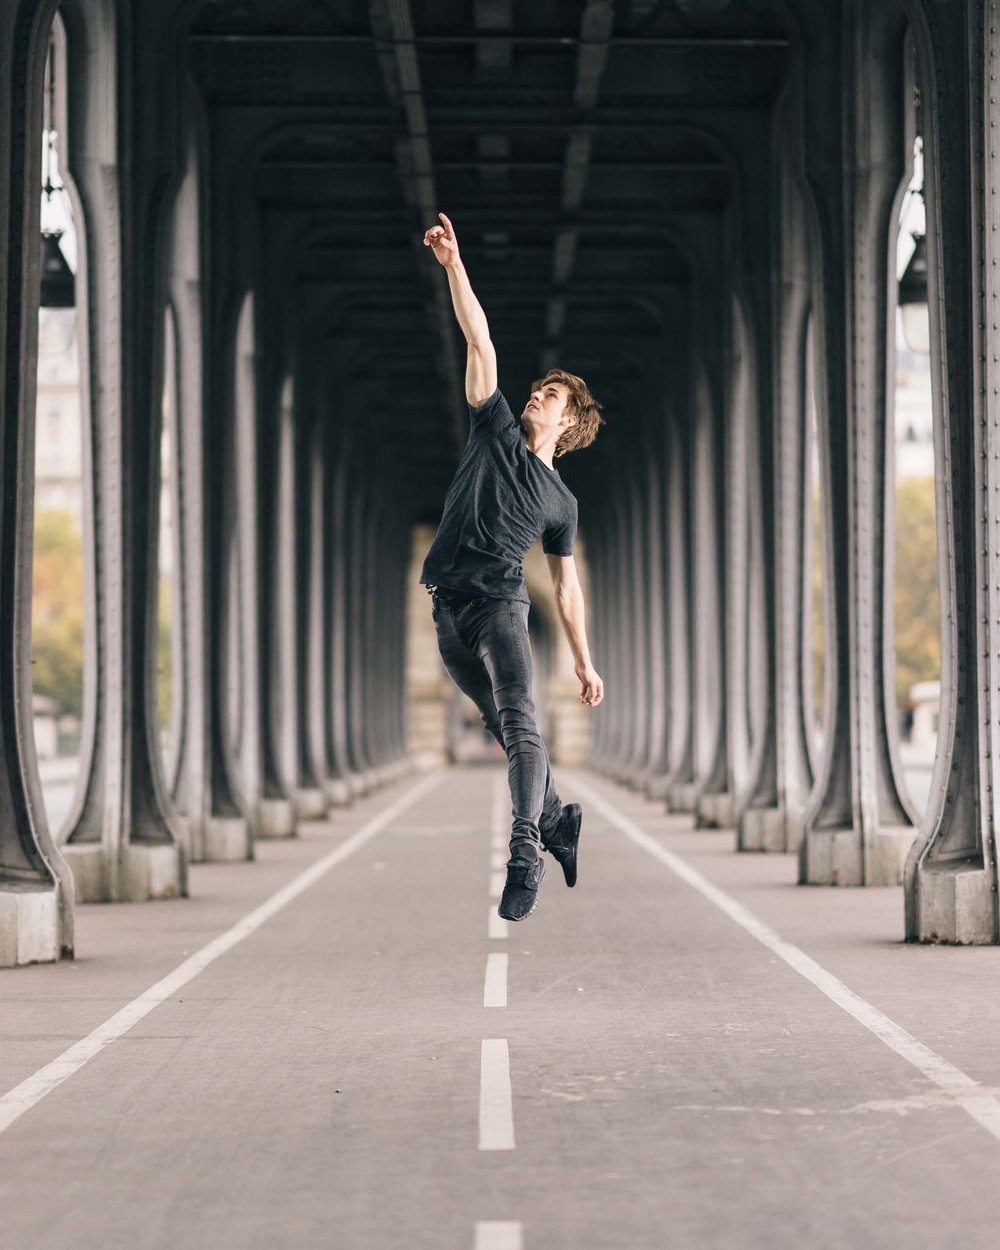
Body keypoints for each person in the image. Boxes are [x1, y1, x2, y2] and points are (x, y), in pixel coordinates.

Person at [420, 212, 605, 922]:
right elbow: (479, 337)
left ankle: (526, 846)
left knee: (522, 723)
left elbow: (566, 586)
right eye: (538, 390)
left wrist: (584, 662)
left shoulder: (561, 500)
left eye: (550, 397)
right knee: (503, 730)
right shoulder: (492, 426)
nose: (535, 395)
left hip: (500, 607)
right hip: (446, 611)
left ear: (569, 423)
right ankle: (558, 817)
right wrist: (454, 267)